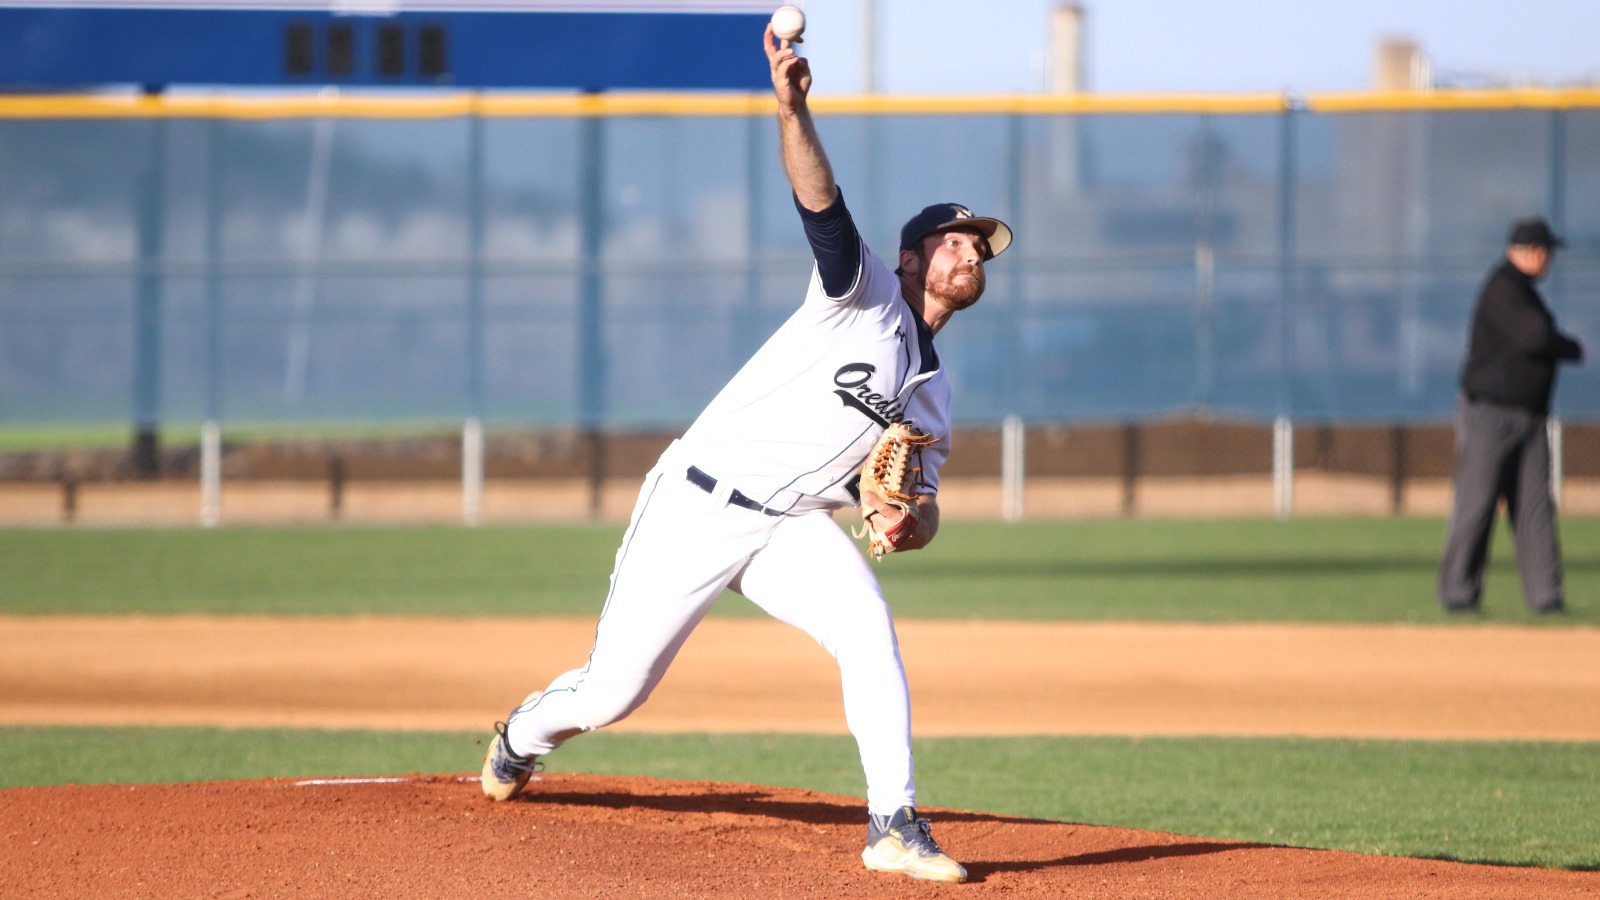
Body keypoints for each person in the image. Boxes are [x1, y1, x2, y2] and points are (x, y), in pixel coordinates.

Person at [477, 22, 1013, 885]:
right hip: (697, 500)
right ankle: (520, 736)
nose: (972, 252)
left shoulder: (935, 396)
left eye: (980, 246)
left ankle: (893, 824)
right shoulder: (865, 295)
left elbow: (924, 507)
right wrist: (792, 106)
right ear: (913, 257)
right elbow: (820, 198)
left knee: (868, 629)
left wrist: (910, 518)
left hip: (790, 525)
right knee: (615, 692)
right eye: (956, 240)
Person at [1438, 216, 1584, 614]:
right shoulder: (1502, 288)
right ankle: (1458, 592)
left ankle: (1546, 596)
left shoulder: (1525, 292)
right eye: (1546, 251)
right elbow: (1534, 337)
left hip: (1530, 417)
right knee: (1477, 502)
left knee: (1536, 507)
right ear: (1530, 252)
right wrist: (1570, 346)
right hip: (1491, 414)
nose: (1549, 259)